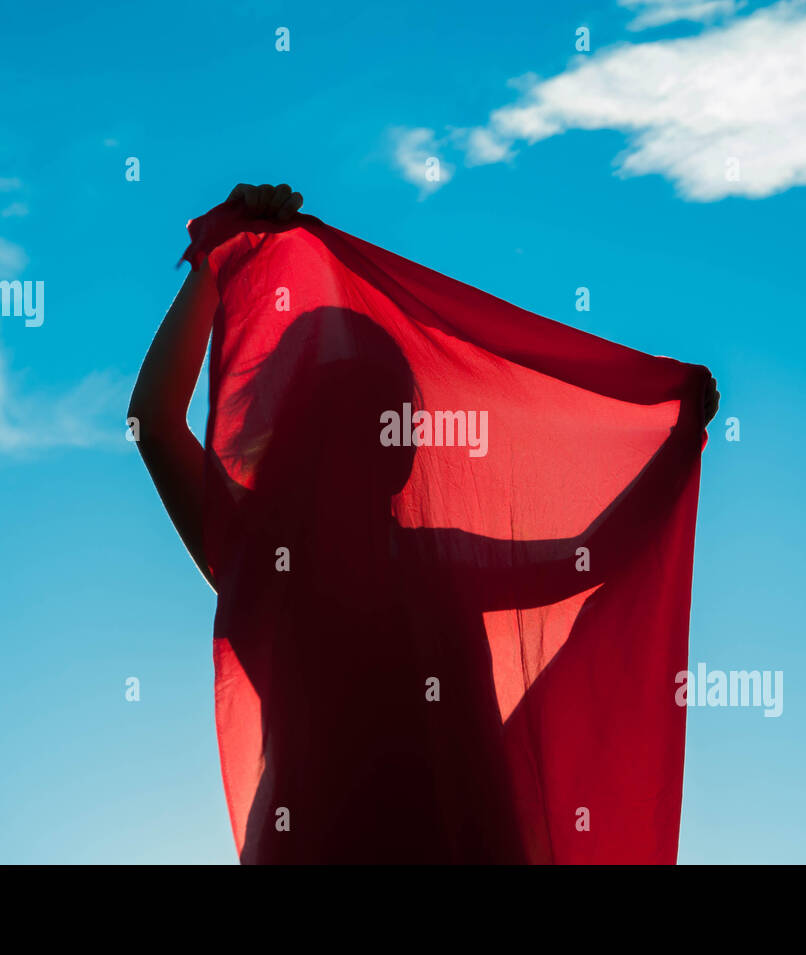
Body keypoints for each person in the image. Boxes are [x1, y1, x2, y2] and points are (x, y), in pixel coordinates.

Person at [129, 183, 720, 863]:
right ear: (311, 432)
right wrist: (219, 253)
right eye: (367, 417)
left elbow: (585, 556)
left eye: (395, 422)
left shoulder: (367, 562)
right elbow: (152, 423)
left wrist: (673, 446)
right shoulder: (269, 560)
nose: (392, 440)